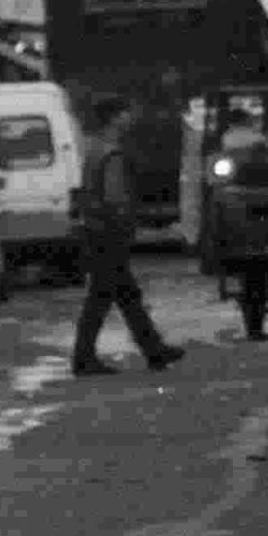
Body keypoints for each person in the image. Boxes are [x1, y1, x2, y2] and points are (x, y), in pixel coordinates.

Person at [72, 95, 186, 376]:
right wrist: (127, 226)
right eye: (125, 113)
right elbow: (115, 199)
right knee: (102, 299)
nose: (130, 118)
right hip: (107, 234)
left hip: (96, 231)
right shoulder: (112, 153)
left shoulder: (94, 149)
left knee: (125, 296)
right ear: (114, 118)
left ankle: (154, 350)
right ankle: (84, 358)